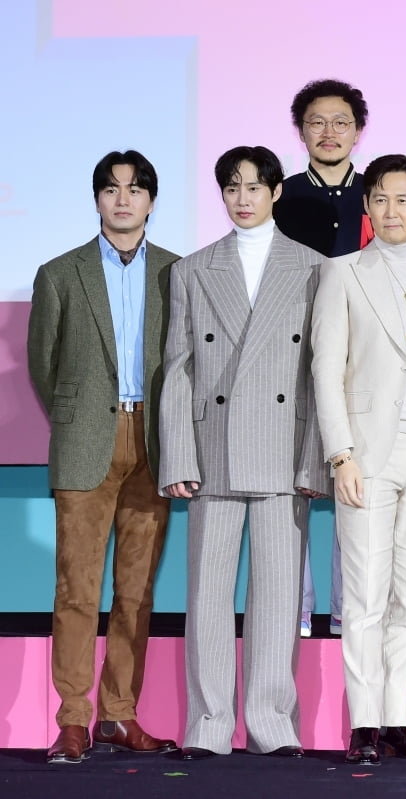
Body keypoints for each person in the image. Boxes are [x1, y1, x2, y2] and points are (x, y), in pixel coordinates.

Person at [158, 145, 328, 759]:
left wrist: (314, 459)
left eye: (254, 187)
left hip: (284, 449)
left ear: (276, 192)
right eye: (232, 187)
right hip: (213, 450)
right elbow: (177, 370)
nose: (242, 198)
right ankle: (208, 726)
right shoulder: (193, 269)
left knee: (280, 596)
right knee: (207, 595)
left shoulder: (314, 268)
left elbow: (321, 373)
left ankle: (271, 725)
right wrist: (178, 456)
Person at [311, 154, 406, 766]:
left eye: (403, 199)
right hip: (366, 454)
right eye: (380, 199)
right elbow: (325, 368)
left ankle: (397, 721)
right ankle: (364, 725)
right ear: (367, 206)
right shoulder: (341, 272)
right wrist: (339, 453)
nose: (391, 210)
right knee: (365, 596)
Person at [28, 151, 179, 764]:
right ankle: (72, 720)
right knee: (76, 590)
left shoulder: (176, 272)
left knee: (136, 593)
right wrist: (83, 418)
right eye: (112, 189)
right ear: (96, 199)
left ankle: (119, 714)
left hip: (154, 443)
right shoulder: (59, 273)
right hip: (86, 441)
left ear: (151, 201)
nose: (123, 199)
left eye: (135, 189)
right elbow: (44, 365)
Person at [276, 78, 373, 638]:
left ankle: (344, 615)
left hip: (361, 364)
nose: (329, 132)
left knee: (353, 491)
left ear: (358, 131)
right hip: (291, 362)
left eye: (341, 122)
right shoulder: (280, 197)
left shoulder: (378, 196)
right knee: (292, 491)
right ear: (301, 131)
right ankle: (295, 614)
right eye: (317, 122)